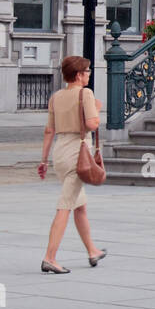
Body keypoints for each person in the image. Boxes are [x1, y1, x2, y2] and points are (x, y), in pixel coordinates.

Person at [38, 55, 107, 272]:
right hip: (78, 154)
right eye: (87, 72)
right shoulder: (85, 94)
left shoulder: (56, 96)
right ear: (78, 74)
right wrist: (96, 108)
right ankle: (50, 257)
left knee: (80, 206)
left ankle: (92, 250)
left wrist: (43, 160)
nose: (89, 75)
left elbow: (49, 130)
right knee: (65, 206)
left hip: (61, 152)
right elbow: (92, 124)